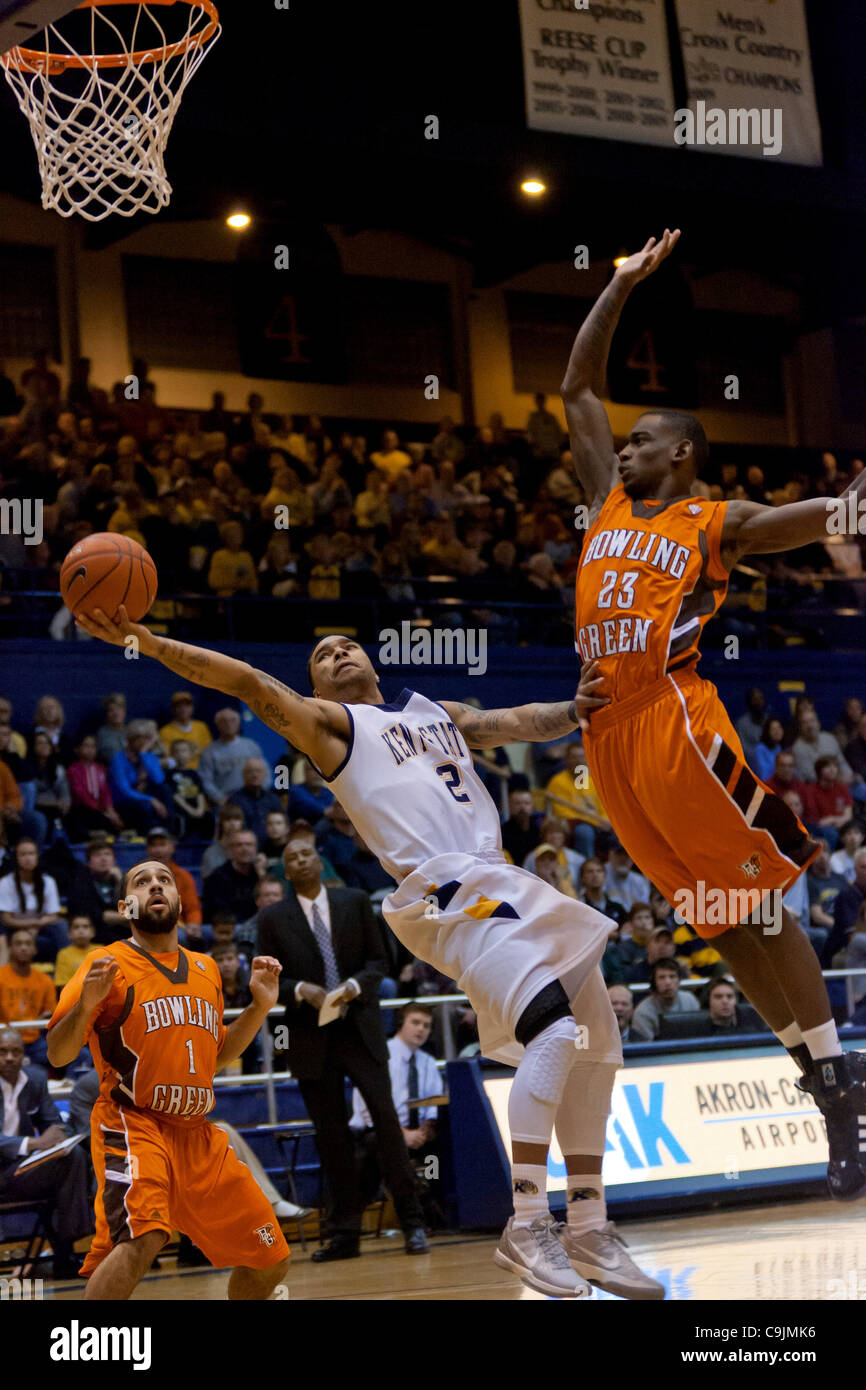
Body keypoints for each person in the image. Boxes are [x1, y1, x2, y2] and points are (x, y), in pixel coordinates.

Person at [74, 613, 661, 1302]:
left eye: (347, 644)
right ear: (315, 686)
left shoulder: (430, 712)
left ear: (374, 663)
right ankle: (530, 1219)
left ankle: (588, 1222)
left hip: (508, 881)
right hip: (449, 892)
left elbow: (512, 722)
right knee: (555, 1032)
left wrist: (573, 709)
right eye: (322, 654)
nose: (337, 651)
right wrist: (148, 641)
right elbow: (242, 678)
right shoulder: (331, 730)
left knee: (596, 1043)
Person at [562, 226, 866, 1199]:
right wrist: (614, 284)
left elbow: (809, 519)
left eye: (643, 436)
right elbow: (574, 391)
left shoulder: (713, 520)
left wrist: (846, 510)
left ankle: (837, 1088)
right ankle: (820, 1085)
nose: (627, 445)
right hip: (605, 743)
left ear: (682, 453)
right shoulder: (605, 506)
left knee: (762, 898)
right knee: (719, 920)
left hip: (677, 725)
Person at [46, 858, 290, 1299]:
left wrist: (258, 1007)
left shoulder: (206, 969)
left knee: (270, 1258)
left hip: (196, 1136)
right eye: (142, 882)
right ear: (125, 907)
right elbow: (58, 1054)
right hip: (133, 1122)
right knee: (144, 1238)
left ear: (180, 900)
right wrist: (86, 1006)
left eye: (165, 880)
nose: (156, 886)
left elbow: (213, 1058)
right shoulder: (104, 963)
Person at [256, 829, 428, 1261]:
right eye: (291, 857)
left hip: (360, 1029)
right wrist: (301, 991)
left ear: (319, 862)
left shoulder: (353, 901)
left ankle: (413, 1223)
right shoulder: (272, 919)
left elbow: (380, 962)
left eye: (306, 854)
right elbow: (265, 981)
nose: (299, 860)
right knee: (332, 1139)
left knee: (387, 1126)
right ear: (286, 870)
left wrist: (352, 986)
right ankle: (345, 1234)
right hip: (311, 1038)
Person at [0, 1027, 91, 1278]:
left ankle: (66, 1250)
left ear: (24, 1056)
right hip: (3, 1170)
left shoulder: (36, 1079)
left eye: (15, 1052)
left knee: (74, 1155)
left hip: (23, 1170)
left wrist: (61, 1136)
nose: (9, 1058)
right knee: (69, 1165)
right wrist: (32, 1144)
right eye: (3, 1052)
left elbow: (51, 1121)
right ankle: (69, 1247)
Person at [350, 1002, 444, 1223]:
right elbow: (367, 1109)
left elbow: (434, 1104)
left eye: (426, 1025)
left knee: (442, 1151)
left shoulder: (428, 1062)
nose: (421, 1029)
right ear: (401, 1024)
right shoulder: (381, 1055)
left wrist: (423, 1132)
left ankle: (438, 1205)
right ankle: (419, 1209)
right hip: (376, 1132)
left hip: (416, 1134)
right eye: (415, 1023)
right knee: (387, 1148)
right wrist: (402, 1135)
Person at [0, 837, 66, 963]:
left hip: (40, 931)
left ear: (37, 856)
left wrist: (36, 928)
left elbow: (53, 916)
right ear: (16, 858)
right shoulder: (5, 883)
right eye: (23, 854)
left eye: (31, 854)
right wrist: (31, 925)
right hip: (13, 931)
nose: (28, 858)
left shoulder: (48, 881)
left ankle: (67, 967)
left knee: (61, 925)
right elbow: (6, 919)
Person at [0, 929, 56, 1064]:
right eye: (18, 943)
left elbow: (50, 1014)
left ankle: (69, 1081)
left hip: (34, 1042)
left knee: (82, 1056)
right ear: (10, 948)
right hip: (4, 1039)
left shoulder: (45, 980)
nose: (23, 947)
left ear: (35, 949)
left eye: (28, 943)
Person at [108, 720, 168, 834]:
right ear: (130, 740)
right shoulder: (119, 759)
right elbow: (124, 790)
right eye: (139, 738)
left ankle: (167, 833)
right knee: (145, 805)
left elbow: (159, 780)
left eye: (147, 738)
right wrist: (151, 799)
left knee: (165, 791)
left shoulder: (149, 756)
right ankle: (145, 839)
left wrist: (144, 754)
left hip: (145, 797)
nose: (143, 741)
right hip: (124, 801)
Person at [65, 838, 129, 945]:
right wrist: (127, 917)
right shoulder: (80, 883)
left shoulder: (123, 881)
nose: (103, 859)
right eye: (97, 855)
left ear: (114, 860)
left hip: (124, 933)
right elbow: (95, 915)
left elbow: (136, 911)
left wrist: (120, 882)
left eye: (107, 854)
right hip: (95, 936)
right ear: (89, 862)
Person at [144, 827, 203, 940]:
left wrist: (194, 924)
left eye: (162, 845)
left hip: (180, 926)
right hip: (151, 925)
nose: (158, 850)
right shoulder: (138, 877)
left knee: (206, 933)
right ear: (148, 849)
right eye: (154, 846)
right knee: (178, 936)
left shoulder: (183, 875)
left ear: (172, 847)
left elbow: (192, 907)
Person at [197, 709, 264, 808]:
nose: (229, 724)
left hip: (253, 799)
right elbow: (205, 780)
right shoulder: (209, 752)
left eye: (232, 720)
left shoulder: (251, 746)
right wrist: (219, 798)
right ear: (217, 725)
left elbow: (265, 771)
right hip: (226, 802)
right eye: (224, 721)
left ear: (238, 723)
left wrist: (262, 793)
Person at [66, 733, 124, 841]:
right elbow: (80, 794)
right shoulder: (73, 770)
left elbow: (105, 792)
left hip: (101, 811)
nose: (90, 750)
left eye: (93, 746)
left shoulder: (101, 769)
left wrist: (110, 810)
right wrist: (102, 812)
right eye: (86, 746)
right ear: (77, 749)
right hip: (83, 810)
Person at [202, 827, 261, 925]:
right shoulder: (217, 878)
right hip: (229, 927)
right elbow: (220, 913)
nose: (244, 849)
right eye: (239, 845)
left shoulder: (260, 872)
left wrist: (261, 875)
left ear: (256, 849)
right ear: (230, 850)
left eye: (249, 845)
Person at [630, 960, 701, 1041]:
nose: (668, 982)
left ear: (679, 980)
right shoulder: (643, 1012)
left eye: (672, 976)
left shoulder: (690, 1000)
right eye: (661, 977)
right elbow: (645, 1048)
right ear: (654, 982)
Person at [165, 739, 212, 839]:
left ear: (190, 754)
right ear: (172, 755)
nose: (180, 754)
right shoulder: (170, 774)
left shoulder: (194, 774)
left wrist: (200, 810)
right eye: (177, 751)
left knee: (209, 818)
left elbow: (200, 794)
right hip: (181, 811)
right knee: (184, 820)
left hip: (196, 809)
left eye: (183, 751)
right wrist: (191, 811)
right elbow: (175, 796)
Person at [232, 758, 285, 843]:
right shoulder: (235, 800)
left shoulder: (273, 799)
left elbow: (283, 825)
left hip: (272, 845)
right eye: (250, 771)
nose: (255, 775)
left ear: (265, 775)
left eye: (258, 771)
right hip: (245, 846)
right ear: (243, 775)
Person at [158, 691, 212, 768]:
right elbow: (167, 756)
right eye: (179, 706)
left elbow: (208, 752)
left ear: (192, 708)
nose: (183, 709)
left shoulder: (201, 727)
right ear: (173, 709)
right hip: (179, 772)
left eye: (187, 705)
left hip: (201, 771)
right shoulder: (165, 731)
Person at [54, 914, 100, 989]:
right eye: (76, 927)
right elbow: (63, 986)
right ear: (69, 934)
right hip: (74, 997)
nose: (81, 931)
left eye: (85, 927)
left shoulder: (101, 950)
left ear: (93, 932)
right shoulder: (64, 954)